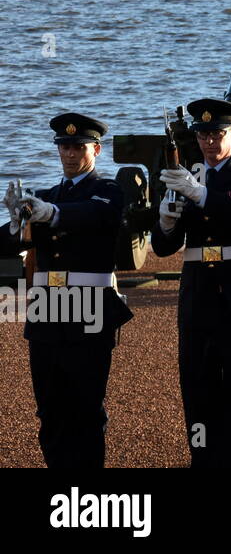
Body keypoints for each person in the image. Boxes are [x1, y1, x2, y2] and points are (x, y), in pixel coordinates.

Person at [150, 98, 231, 467]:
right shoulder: (185, 175)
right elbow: (162, 248)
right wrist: (166, 222)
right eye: (203, 134)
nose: (209, 141)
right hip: (199, 297)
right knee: (197, 391)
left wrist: (200, 193)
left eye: (217, 134)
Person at [1, 113, 130, 468]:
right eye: (64, 147)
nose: (70, 154)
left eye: (78, 146)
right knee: (50, 411)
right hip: (47, 311)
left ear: (96, 150)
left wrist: (51, 213)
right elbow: (10, 244)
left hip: (89, 308)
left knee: (86, 410)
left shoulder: (108, 192)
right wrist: (17, 225)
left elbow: (90, 215)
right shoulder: (45, 196)